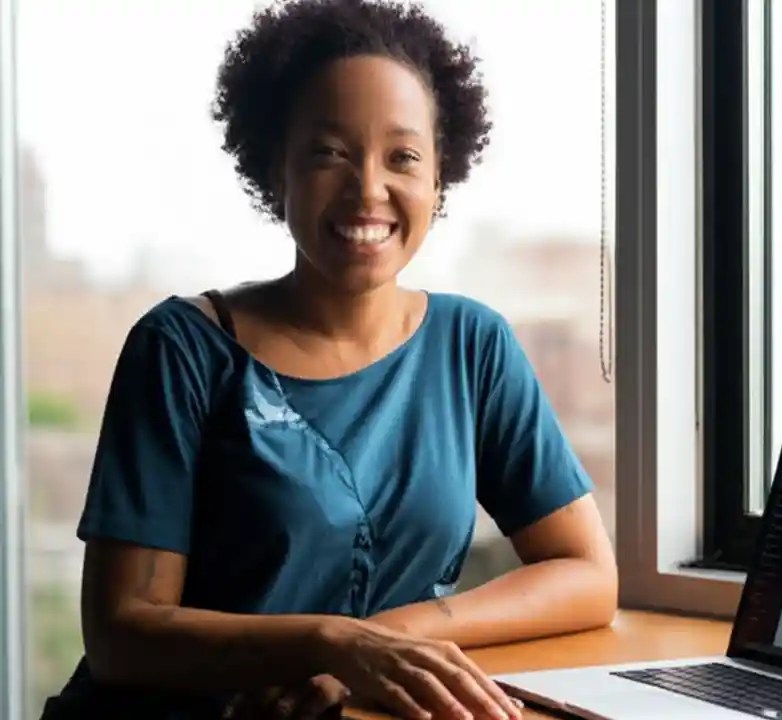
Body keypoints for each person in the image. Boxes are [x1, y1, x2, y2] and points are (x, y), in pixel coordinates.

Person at [40, 1, 617, 718]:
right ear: (274, 166)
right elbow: (122, 636)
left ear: (440, 181)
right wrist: (331, 645)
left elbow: (587, 574)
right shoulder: (182, 349)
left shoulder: (473, 347)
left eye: (402, 157)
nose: (368, 189)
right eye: (328, 152)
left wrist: (381, 641)